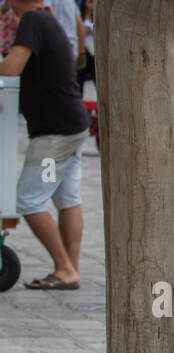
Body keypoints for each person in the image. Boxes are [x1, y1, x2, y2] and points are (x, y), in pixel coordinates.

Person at [0, 0, 91, 290]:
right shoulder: (47, 18)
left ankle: (65, 268)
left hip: (55, 137)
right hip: (71, 128)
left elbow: (11, 67)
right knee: (67, 198)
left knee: (28, 198)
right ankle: (70, 269)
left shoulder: (33, 21)